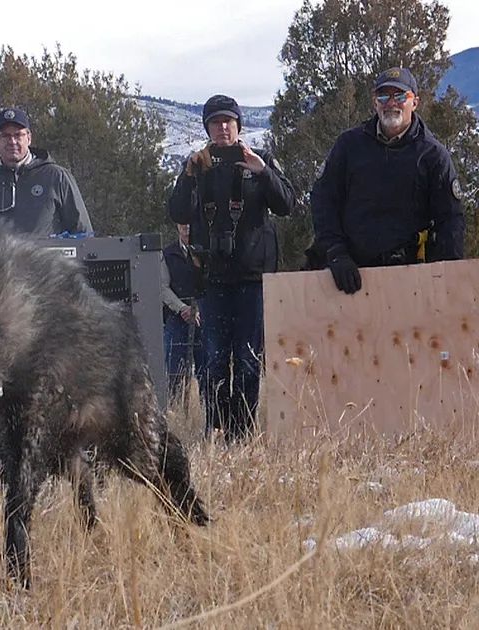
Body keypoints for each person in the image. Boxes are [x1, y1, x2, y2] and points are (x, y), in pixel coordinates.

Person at [167, 94, 296, 442]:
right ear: (207, 128)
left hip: (252, 279)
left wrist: (263, 171)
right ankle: (215, 429)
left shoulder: (261, 161)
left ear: (239, 126)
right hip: (212, 280)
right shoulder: (197, 166)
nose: (223, 128)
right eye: (215, 122)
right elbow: (178, 213)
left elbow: (287, 204)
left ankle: (243, 433)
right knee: (212, 359)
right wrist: (190, 177)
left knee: (249, 359)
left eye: (228, 121)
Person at [311, 67, 465, 294]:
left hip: (413, 279)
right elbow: (324, 201)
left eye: (400, 96)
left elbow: (450, 220)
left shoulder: (433, 155)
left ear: (415, 102)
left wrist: (442, 279)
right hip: (351, 277)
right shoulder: (348, 146)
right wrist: (335, 253)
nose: (391, 103)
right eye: (383, 96)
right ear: (374, 102)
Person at [0, 107, 93, 236]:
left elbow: (83, 234)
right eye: (6, 136)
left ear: (29, 138)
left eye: (18, 135)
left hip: (44, 257)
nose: (12, 141)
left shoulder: (57, 177)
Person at [161, 224, 205, 408]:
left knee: (208, 372)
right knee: (174, 373)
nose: (187, 227)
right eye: (182, 223)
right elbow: (162, 287)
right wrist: (182, 309)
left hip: (204, 320)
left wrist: (201, 310)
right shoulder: (167, 254)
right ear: (177, 226)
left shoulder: (206, 251)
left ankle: (208, 413)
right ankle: (175, 415)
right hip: (176, 320)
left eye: (190, 222)